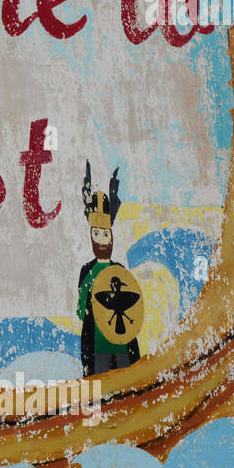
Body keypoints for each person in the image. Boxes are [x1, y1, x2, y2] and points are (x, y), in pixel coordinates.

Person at [77, 161, 141, 376]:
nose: (102, 240)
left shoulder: (120, 270)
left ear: (111, 237)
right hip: (97, 346)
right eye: (97, 234)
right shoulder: (87, 271)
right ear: (90, 237)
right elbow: (80, 311)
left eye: (105, 234)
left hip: (121, 344)